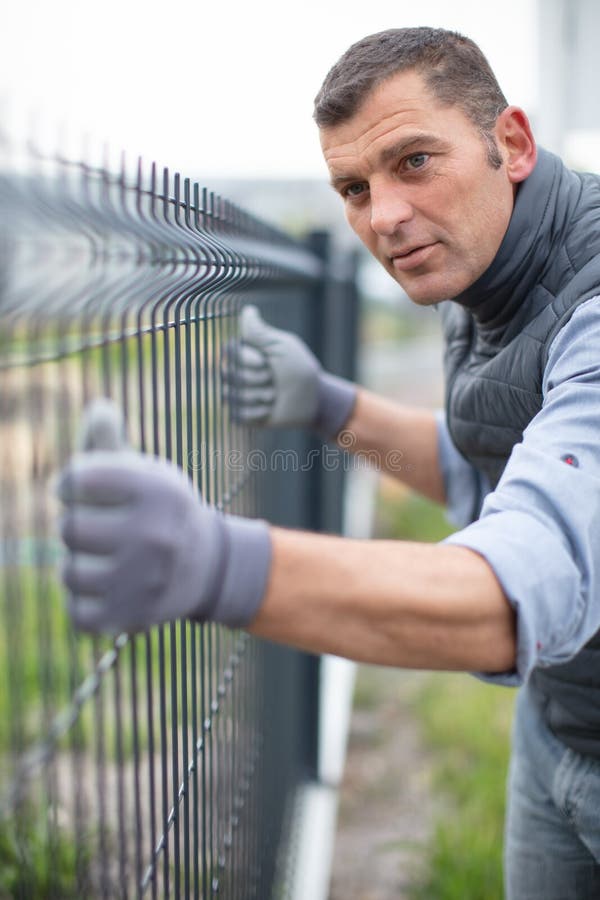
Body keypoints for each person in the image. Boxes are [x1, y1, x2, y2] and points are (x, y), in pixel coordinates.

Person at [58, 27, 600, 899]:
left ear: (513, 144)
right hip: (560, 723)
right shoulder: (490, 261)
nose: (382, 217)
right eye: (354, 188)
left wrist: (220, 566)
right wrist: (331, 407)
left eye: (414, 161)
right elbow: (489, 479)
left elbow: (526, 586)